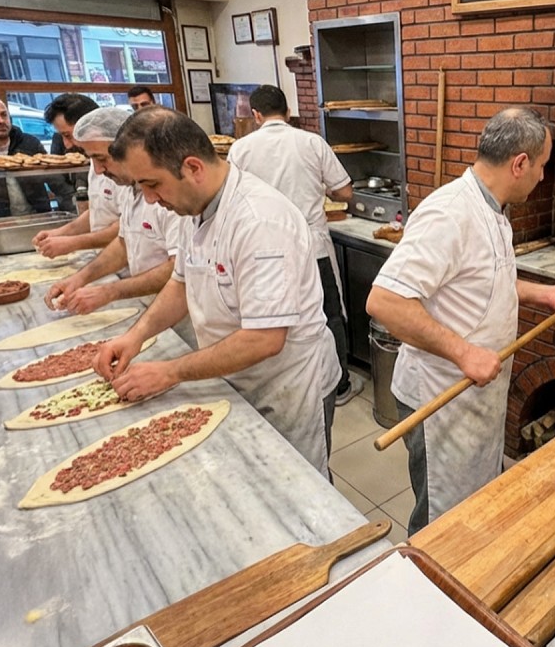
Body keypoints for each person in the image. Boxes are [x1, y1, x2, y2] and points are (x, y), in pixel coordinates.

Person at [366, 107, 555, 534]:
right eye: (541, 166)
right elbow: (385, 301)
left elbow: (480, 282)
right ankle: (426, 591)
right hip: (440, 400)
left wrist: (541, 294)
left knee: (470, 511)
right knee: (439, 522)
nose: (543, 177)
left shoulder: (495, 209)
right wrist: (464, 352)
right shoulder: (449, 213)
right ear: (519, 163)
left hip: (473, 398)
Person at [95, 108, 340, 478]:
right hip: (234, 376)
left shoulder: (260, 222)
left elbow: (264, 340)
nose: (148, 199)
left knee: (298, 494)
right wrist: (135, 336)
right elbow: (181, 282)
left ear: (193, 168)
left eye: (152, 183)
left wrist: (169, 372)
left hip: (285, 388)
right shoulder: (195, 207)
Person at [226, 84, 360, 406]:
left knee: (275, 322)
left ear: (256, 115)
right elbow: (345, 193)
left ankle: (289, 386)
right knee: (329, 315)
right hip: (312, 248)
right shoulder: (312, 142)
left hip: (263, 253)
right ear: (287, 112)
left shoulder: (239, 150)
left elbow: (233, 200)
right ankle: (339, 385)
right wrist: (321, 191)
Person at [45, 107, 179, 315]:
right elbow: (124, 243)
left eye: (102, 159)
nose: (98, 170)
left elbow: (178, 268)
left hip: (178, 310)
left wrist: (110, 292)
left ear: (128, 149)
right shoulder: (128, 187)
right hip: (148, 302)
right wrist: (79, 279)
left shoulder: (169, 194)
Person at [32, 94, 122, 258]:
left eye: (68, 135)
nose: (66, 145)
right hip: (106, 261)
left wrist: (75, 242)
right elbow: (98, 210)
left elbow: (130, 226)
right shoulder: (95, 164)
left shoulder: (123, 168)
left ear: (90, 126)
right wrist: (60, 233)